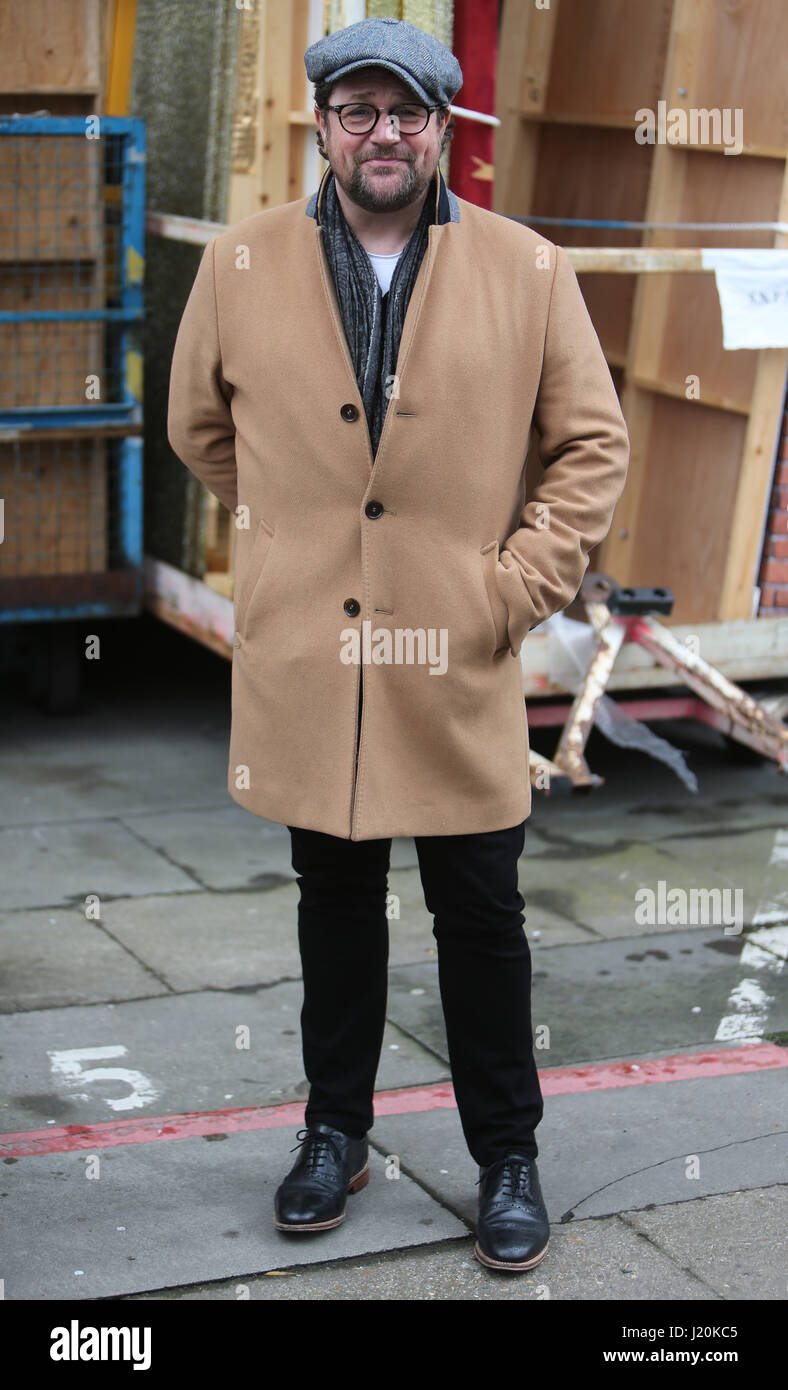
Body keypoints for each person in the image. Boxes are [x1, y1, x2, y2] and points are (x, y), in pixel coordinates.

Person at [167, 16, 630, 1273]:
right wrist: (290, 549)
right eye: (358, 110)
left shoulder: (527, 269)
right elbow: (201, 426)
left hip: (457, 654)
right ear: (322, 124)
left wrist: (506, 590)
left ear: (442, 130)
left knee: (480, 914)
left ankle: (507, 1156)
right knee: (334, 908)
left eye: (407, 112)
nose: (382, 134)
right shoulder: (245, 264)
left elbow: (590, 448)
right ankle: (333, 1130)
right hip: (312, 657)